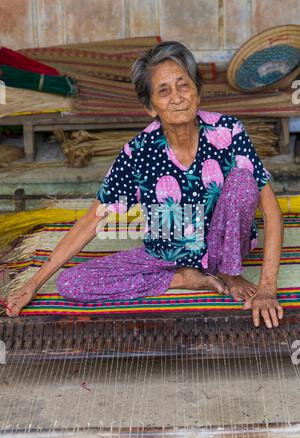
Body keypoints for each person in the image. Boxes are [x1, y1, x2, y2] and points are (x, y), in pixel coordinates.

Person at [5, 41, 284, 328]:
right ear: (151, 107)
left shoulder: (228, 131)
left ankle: (229, 272)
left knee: (242, 181)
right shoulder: (138, 153)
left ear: (197, 91)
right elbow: (93, 219)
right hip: (166, 253)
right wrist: (35, 282)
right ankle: (184, 278)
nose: (177, 98)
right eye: (164, 91)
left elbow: (272, 213)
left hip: (224, 248)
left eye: (183, 85)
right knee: (71, 283)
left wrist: (267, 288)